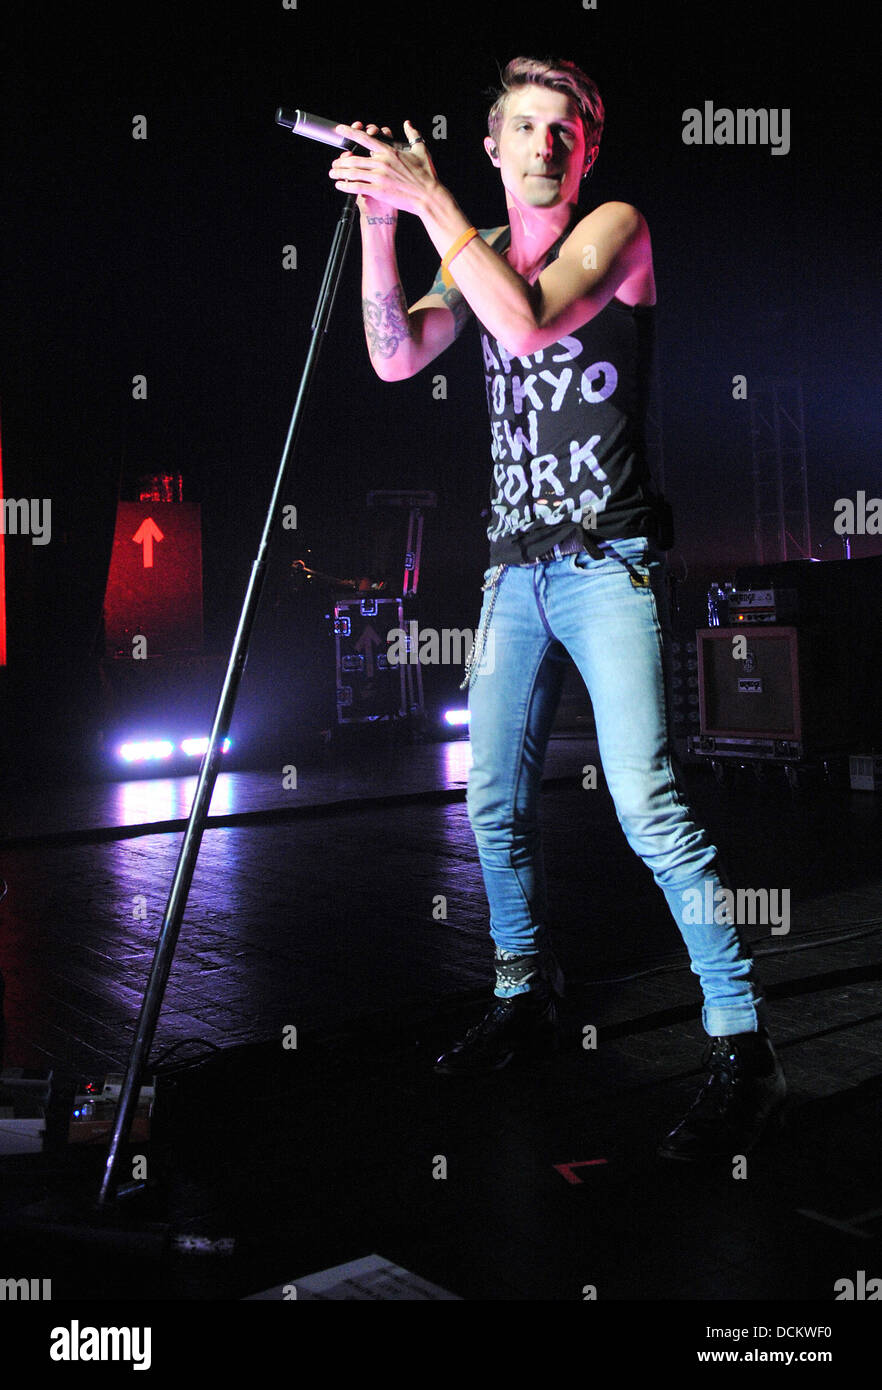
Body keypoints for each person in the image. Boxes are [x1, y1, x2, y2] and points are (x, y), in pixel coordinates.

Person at [329, 56, 786, 1162]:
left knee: (647, 806)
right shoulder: (468, 256)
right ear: (492, 146)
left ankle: (740, 1041)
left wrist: (430, 201)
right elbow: (396, 358)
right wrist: (382, 221)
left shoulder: (615, 230)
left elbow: (528, 324)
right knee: (491, 797)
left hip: (607, 563)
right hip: (511, 570)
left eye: (563, 131)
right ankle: (524, 989)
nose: (544, 144)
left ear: (585, 153)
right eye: (525, 127)